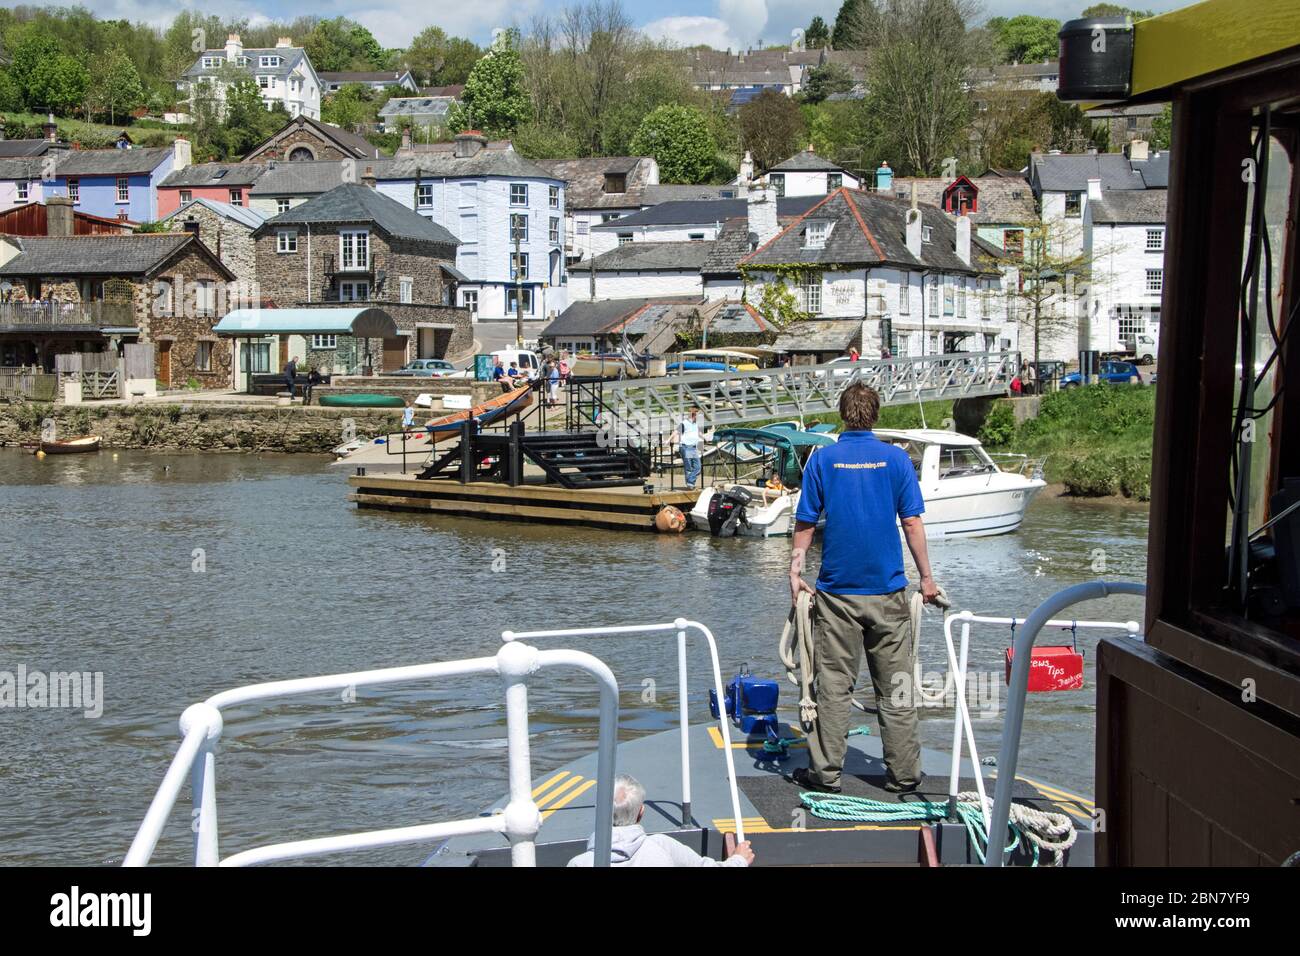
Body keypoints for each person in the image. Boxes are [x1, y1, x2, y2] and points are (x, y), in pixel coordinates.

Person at [789, 382, 939, 795]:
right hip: (888, 592)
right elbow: (912, 523)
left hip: (837, 594)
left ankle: (826, 775)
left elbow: (804, 523)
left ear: (843, 413)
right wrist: (926, 579)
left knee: (834, 686)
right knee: (896, 688)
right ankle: (904, 776)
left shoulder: (823, 460)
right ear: (874, 414)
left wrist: (795, 571)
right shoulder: (896, 460)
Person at [567, 775, 753, 867]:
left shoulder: (579, 863)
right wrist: (738, 859)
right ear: (641, 813)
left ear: (599, 814)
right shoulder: (662, 846)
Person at [673, 405, 704, 490]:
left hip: (693, 447)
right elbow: (676, 431)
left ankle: (690, 481)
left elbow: (698, 433)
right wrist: (668, 440)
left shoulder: (696, 424)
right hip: (685, 446)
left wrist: (705, 438)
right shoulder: (685, 423)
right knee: (689, 467)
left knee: (698, 467)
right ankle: (690, 484)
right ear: (694, 415)